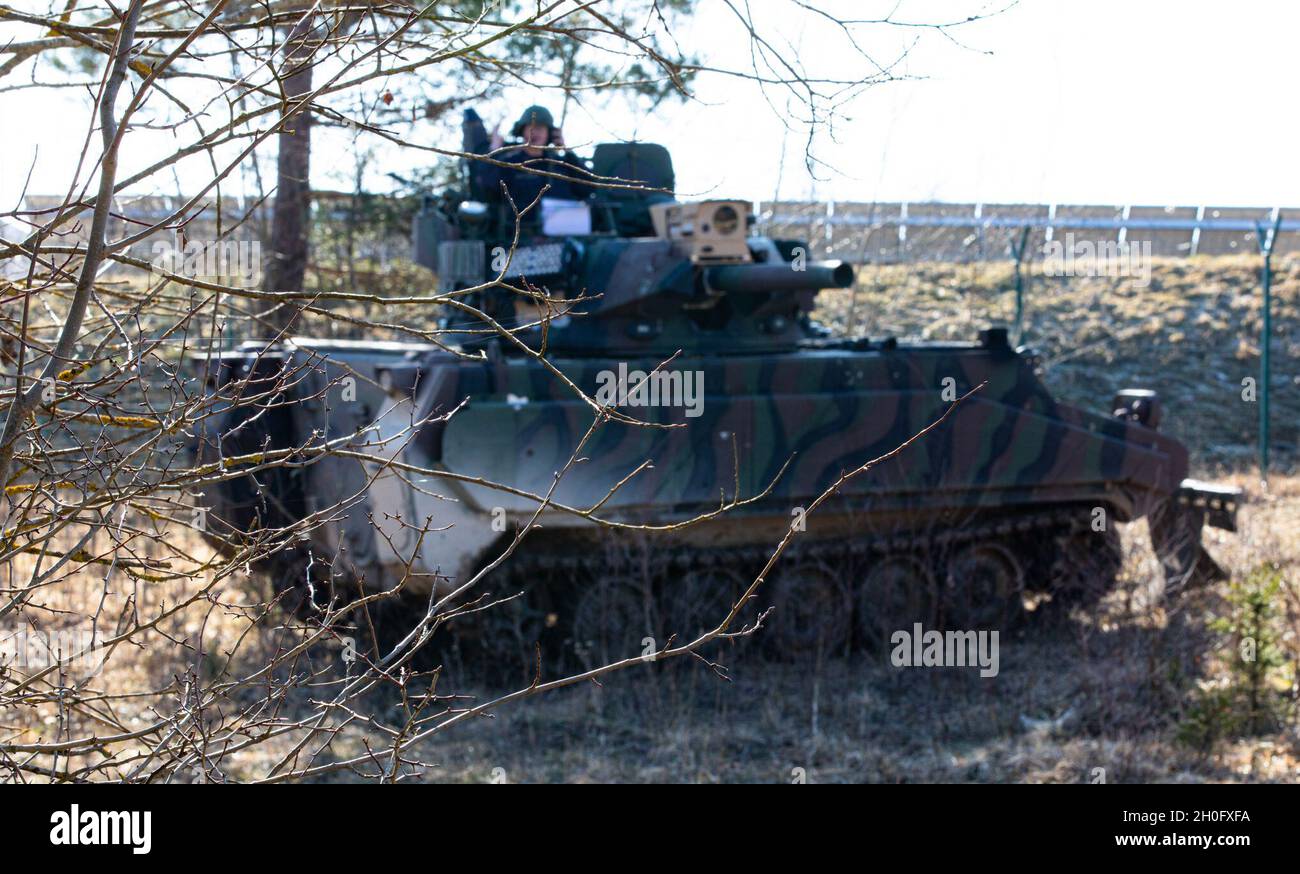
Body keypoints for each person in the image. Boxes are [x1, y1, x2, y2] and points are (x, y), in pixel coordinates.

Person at [471, 105, 590, 207]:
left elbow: (587, 188)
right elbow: (486, 187)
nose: (536, 133)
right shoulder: (511, 164)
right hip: (522, 231)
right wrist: (494, 150)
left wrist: (568, 151)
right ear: (522, 131)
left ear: (550, 133)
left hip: (563, 231)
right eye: (531, 128)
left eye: (541, 128)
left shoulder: (562, 164)